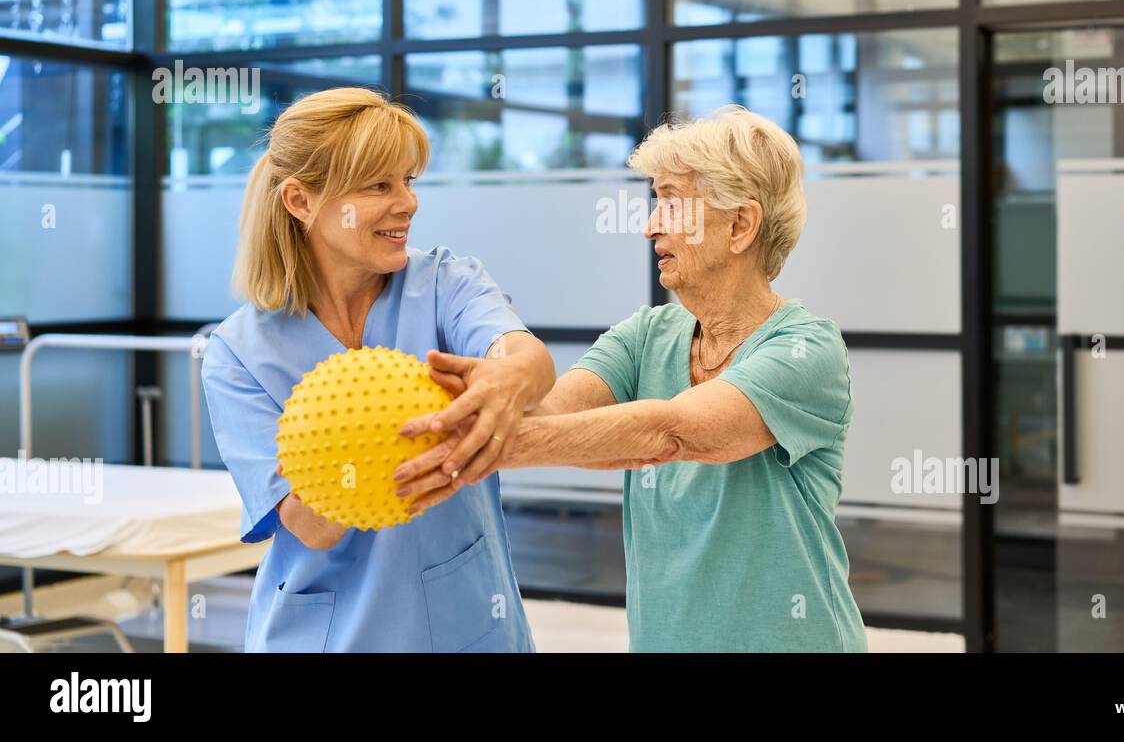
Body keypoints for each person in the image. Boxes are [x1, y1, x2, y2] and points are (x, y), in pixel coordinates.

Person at [396, 105, 867, 652]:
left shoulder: (806, 349)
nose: (650, 225)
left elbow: (676, 432)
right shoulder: (647, 334)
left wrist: (475, 447)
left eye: (671, 201)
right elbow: (555, 412)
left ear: (740, 225)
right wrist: (487, 399)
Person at [202, 87, 554, 652]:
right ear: (299, 200)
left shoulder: (444, 283)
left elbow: (525, 356)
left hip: (467, 623)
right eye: (378, 186)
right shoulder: (238, 352)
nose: (408, 203)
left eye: (409, 181)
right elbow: (313, 526)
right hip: (322, 636)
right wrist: (385, 435)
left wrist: (510, 380)